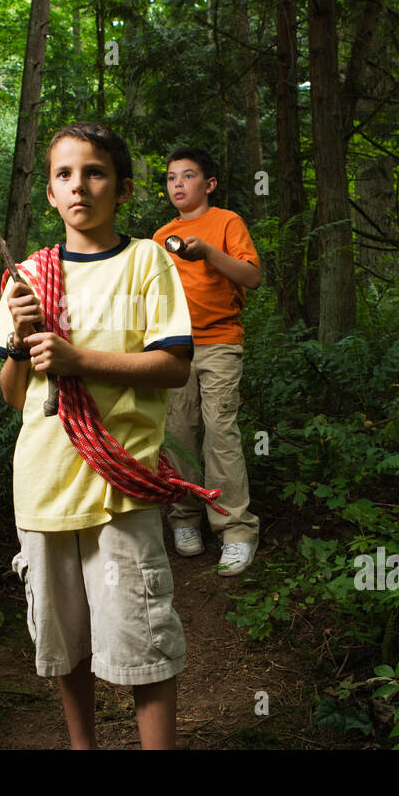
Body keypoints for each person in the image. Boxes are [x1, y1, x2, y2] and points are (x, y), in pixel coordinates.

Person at [0, 122, 194, 749]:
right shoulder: (27, 275)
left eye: (95, 172)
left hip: (118, 485)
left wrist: (80, 360)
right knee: (64, 639)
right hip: (44, 485)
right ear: (49, 192)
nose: (80, 186)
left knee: (141, 635)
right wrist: (21, 343)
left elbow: (174, 366)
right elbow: (15, 394)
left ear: (122, 188)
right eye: (65, 175)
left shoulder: (146, 262)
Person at [152, 147, 262, 576]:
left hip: (220, 341)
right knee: (177, 432)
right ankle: (184, 519)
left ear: (209, 184)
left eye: (188, 176)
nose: (178, 184)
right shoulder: (161, 237)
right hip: (175, 346)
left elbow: (252, 277)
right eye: (171, 177)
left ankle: (236, 531)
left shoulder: (227, 222)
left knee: (220, 431)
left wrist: (207, 254)